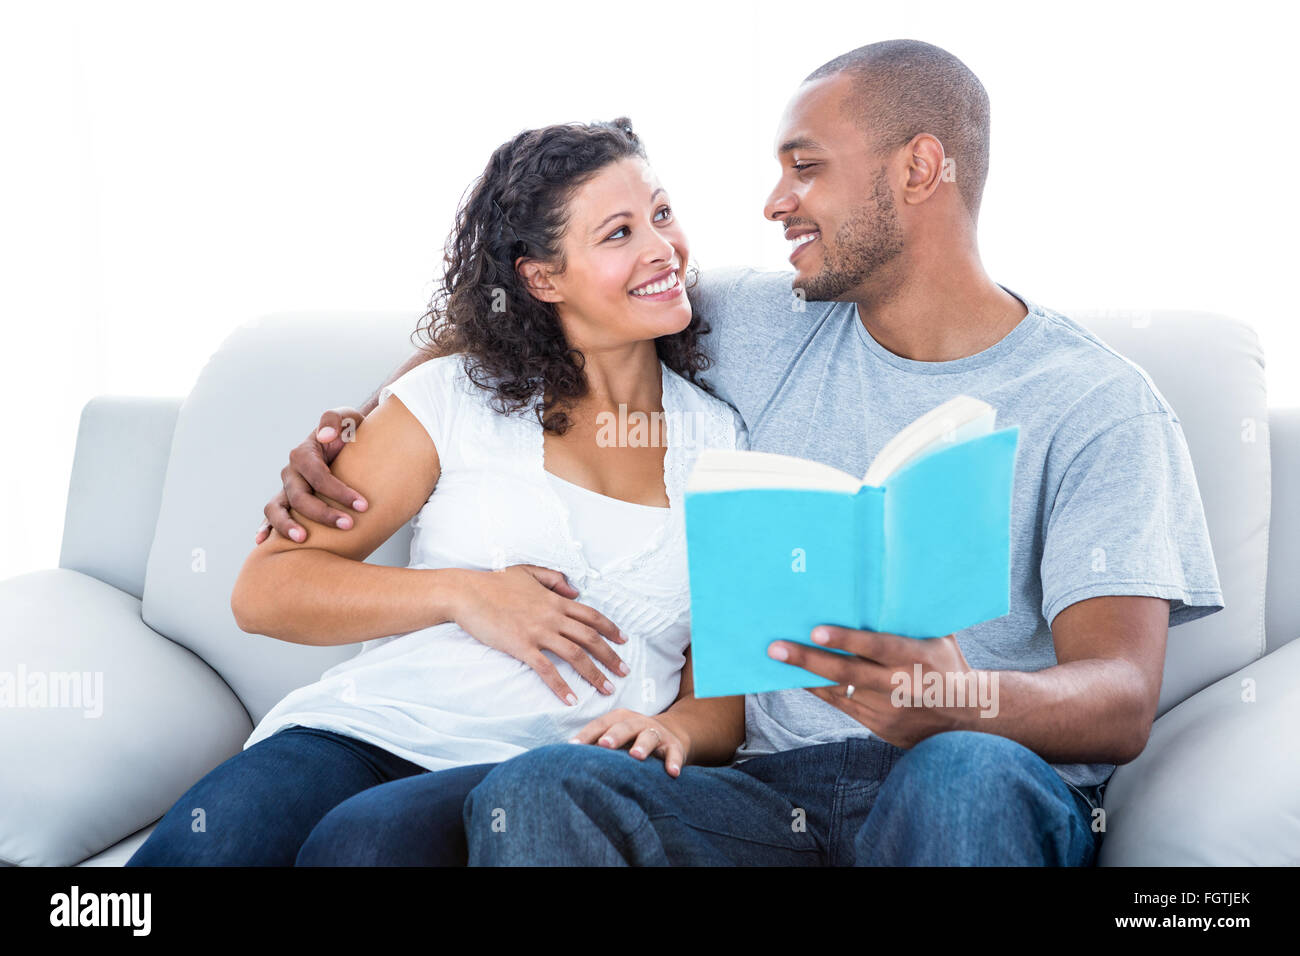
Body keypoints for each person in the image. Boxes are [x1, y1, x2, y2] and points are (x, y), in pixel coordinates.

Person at [260, 40, 1225, 866]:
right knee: (554, 784)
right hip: (761, 793)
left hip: (970, 775)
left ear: (919, 169)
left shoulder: (1100, 404)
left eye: (806, 168)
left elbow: (1121, 699)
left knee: (962, 779)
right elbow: (547, 308)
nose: (774, 201)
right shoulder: (767, 319)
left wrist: (955, 698)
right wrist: (366, 415)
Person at [126, 117, 747, 867]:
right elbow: (266, 590)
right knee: (206, 847)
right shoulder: (453, 398)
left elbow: (720, 697)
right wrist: (468, 595)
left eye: (662, 213)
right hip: (366, 730)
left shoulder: (720, 443)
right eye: (618, 233)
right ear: (541, 278)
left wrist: (674, 730)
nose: (661, 248)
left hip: (544, 772)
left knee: (364, 847)